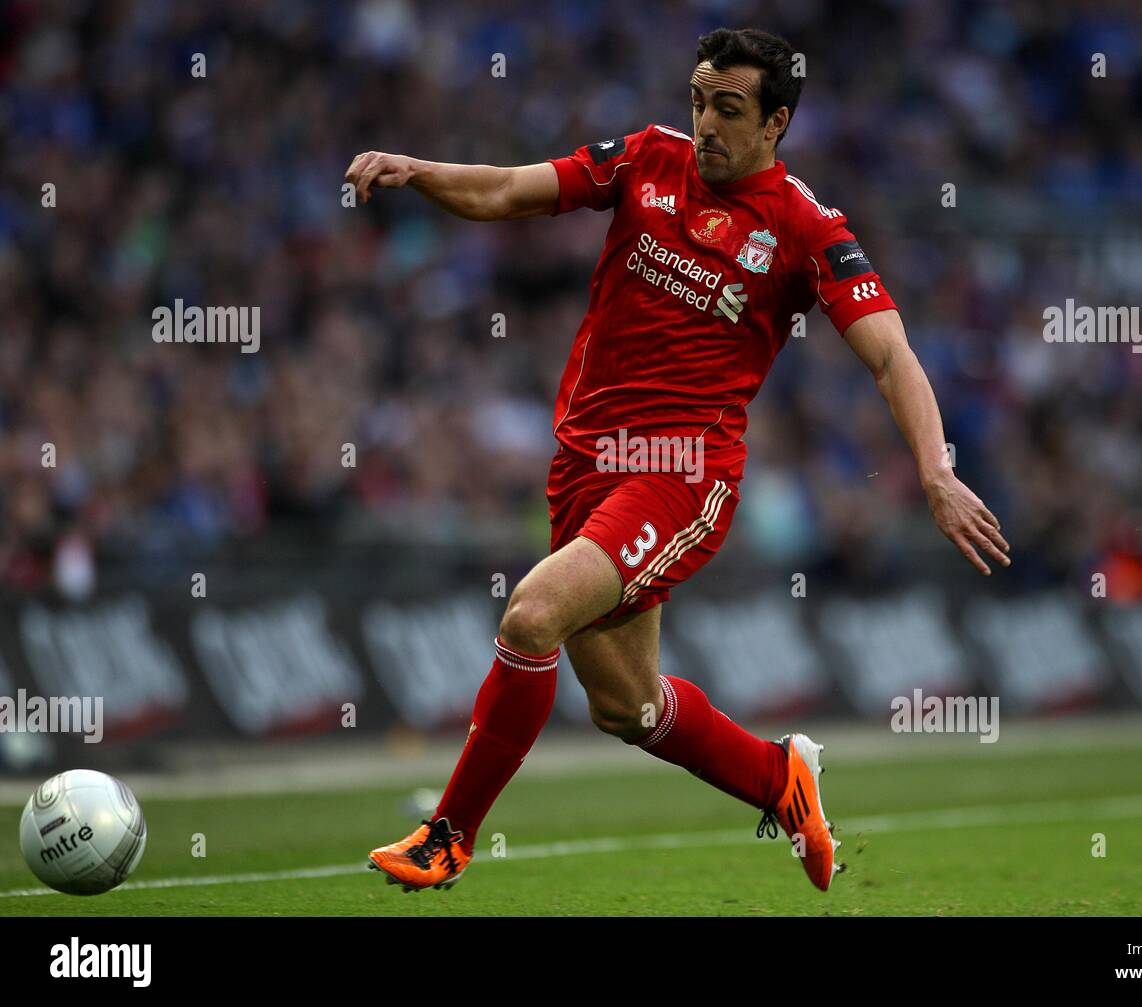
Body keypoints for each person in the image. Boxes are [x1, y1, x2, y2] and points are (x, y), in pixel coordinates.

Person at [346, 27, 1010, 895]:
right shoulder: (645, 160)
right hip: (583, 461)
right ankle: (781, 779)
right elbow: (512, 189)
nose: (704, 123)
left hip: (681, 475)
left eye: (727, 109)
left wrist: (933, 470)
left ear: (775, 123)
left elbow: (892, 356)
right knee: (627, 707)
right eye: (699, 100)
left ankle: (448, 836)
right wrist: (420, 170)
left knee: (529, 616)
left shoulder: (808, 229)